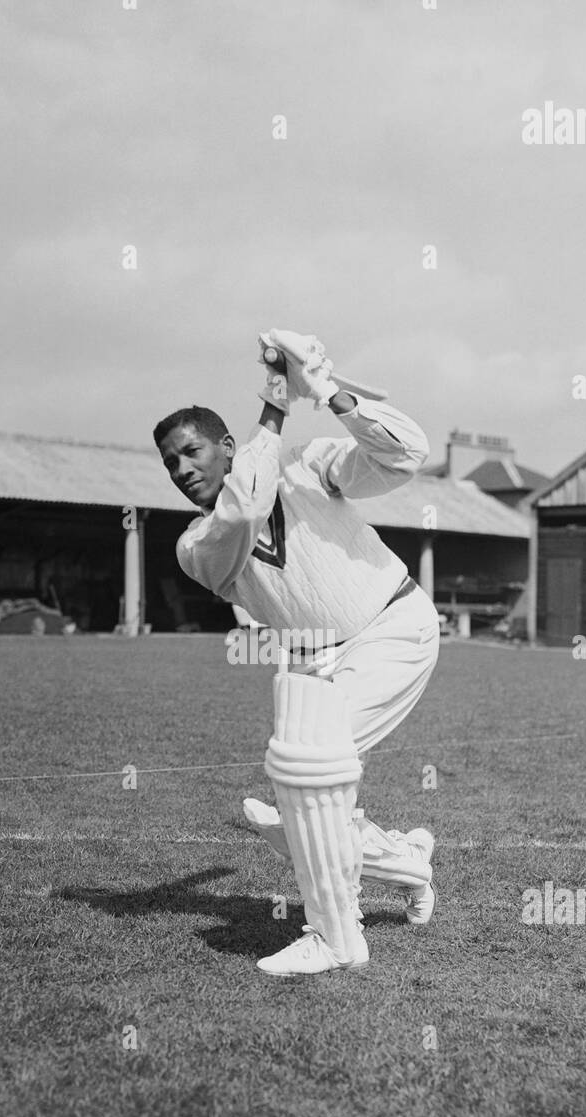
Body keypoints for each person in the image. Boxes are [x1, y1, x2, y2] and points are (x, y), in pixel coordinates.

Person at [154, 329, 440, 976]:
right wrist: (276, 399)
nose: (182, 471)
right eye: (171, 464)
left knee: (304, 769)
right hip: (319, 661)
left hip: (395, 626)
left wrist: (326, 390)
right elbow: (247, 503)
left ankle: (336, 940)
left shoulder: (308, 465)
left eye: (192, 452)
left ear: (227, 446)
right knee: (310, 791)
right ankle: (406, 861)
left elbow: (406, 457)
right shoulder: (199, 544)